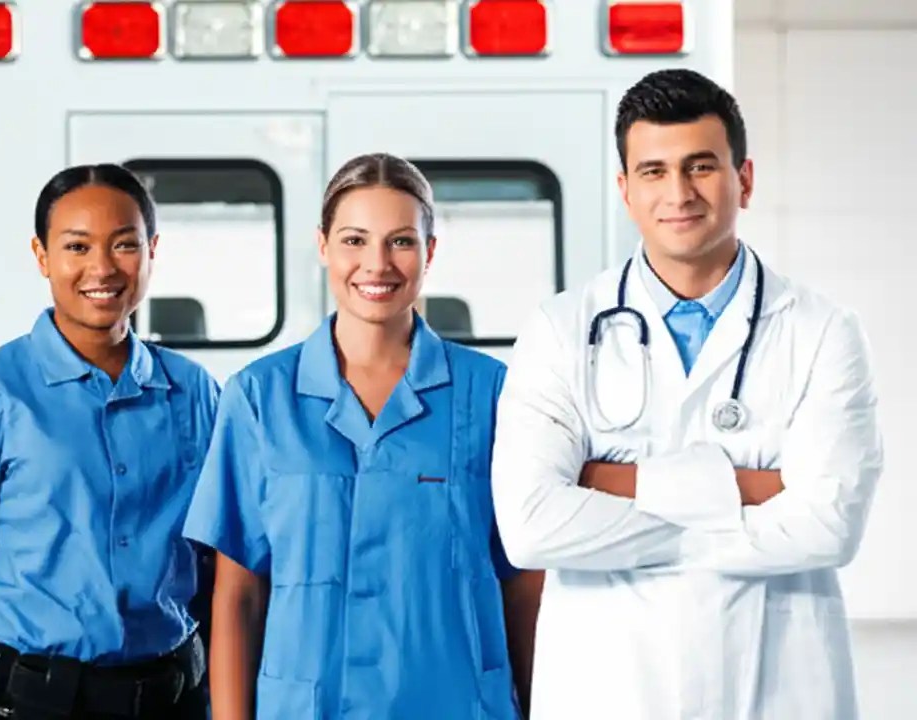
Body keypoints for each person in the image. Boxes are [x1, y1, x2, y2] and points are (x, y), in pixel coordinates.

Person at [490, 68, 884, 719]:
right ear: (624, 188)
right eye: (653, 171)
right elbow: (530, 529)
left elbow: (829, 526)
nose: (678, 192)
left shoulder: (822, 332)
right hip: (610, 690)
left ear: (744, 180)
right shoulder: (560, 332)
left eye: (700, 167)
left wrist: (609, 483)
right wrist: (747, 490)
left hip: (779, 686)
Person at [182, 153, 543, 720]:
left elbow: (523, 583)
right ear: (323, 245)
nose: (376, 265)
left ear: (431, 251)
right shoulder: (258, 396)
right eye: (354, 240)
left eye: (401, 241)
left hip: (454, 703)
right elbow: (238, 595)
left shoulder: (491, 392)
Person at [0, 164, 220, 720]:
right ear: (42, 256)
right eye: (77, 247)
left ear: (152, 250)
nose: (102, 268)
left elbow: (218, 573)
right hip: (34, 701)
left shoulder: (195, 391)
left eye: (124, 245)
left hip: (173, 699)